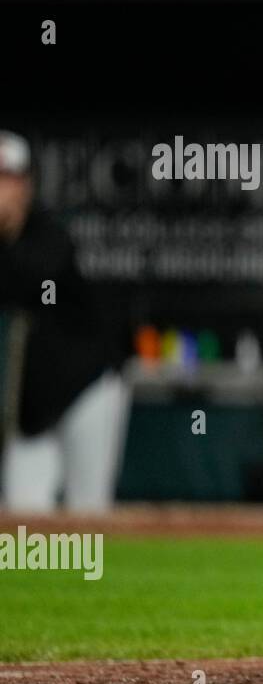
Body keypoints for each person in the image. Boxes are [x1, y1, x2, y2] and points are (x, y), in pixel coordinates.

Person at [0, 130, 129, 514]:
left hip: (85, 390)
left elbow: (39, 284)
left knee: (88, 509)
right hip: (30, 407)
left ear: (26, 184)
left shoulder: (49, 234)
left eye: (8, 178)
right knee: (22, 515)